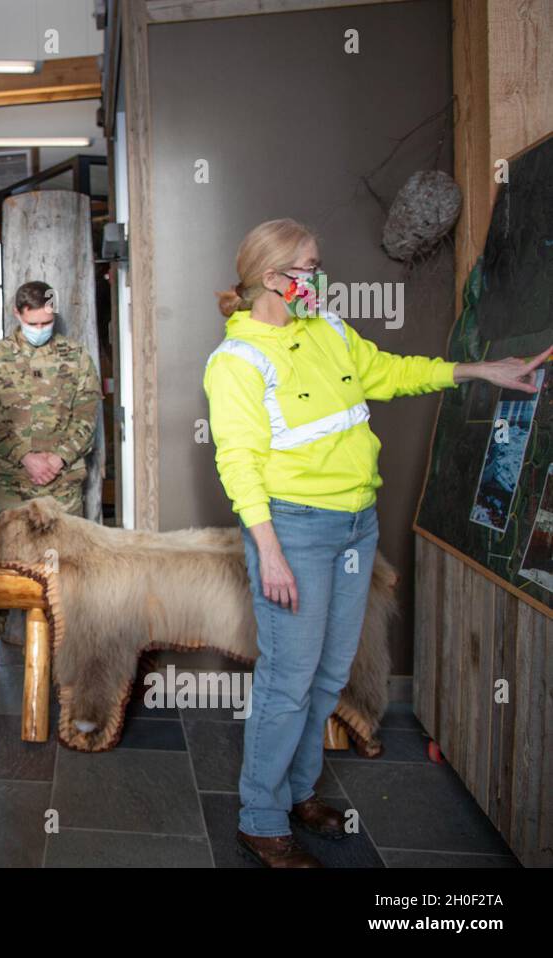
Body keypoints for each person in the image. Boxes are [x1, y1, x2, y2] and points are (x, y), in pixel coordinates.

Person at [203, 217, 551, 868]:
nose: (320, 277)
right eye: (310, 267)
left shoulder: (329, 329)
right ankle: (260, 819)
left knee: (330, 673)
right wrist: (269, 550)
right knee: (288, 681)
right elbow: (239, 462)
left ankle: (300, 794)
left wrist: (478, 369)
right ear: (274, 280)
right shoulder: (238, 360)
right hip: (295, 533)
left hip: (357, 526)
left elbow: (388, 373)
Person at [0, 281, 100, 683]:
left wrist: (57, 458)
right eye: (35, 320)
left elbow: (87, 415)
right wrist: (25, 456)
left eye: (49, 320)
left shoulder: (75, 357)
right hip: (11, 482)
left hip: (61, 485)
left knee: (67, 570)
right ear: (18, 314)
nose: (43, 327)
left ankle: (70, 652)